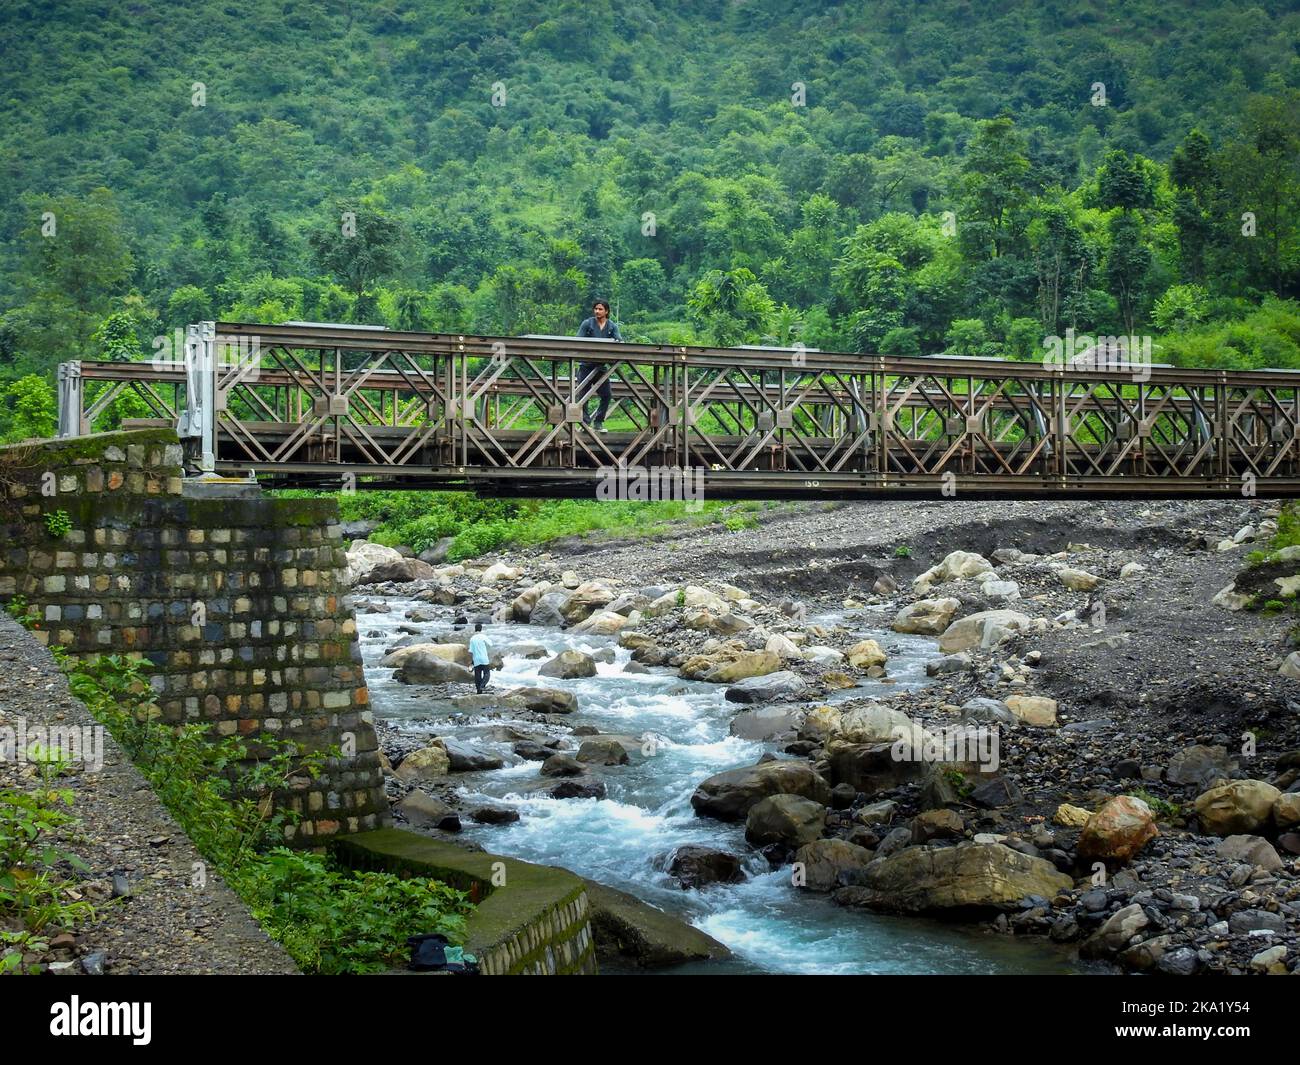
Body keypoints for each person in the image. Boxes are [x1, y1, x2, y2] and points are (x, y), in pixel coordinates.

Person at [576, 299, 623, 431]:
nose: (597, 311)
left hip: (601, 366)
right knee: (583, 394)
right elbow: (578, 340)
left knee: (607, 394)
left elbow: (619, 340)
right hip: (586, 365)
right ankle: (585, 423)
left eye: (600, 309)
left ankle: (598, 422)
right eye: (595, 309)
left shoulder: (612, 326)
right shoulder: (587, 323)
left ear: (606, 311)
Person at [468, 623, 492, 694]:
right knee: (487, 674)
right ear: (481, 629)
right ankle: (482, 685)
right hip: (484, 659)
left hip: (476, 660)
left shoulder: (472, 638)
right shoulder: (483, 636)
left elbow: (471, 651)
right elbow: (491, 644)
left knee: (477, 676)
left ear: (475, 629)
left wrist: (472, 662)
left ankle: (479, 691)